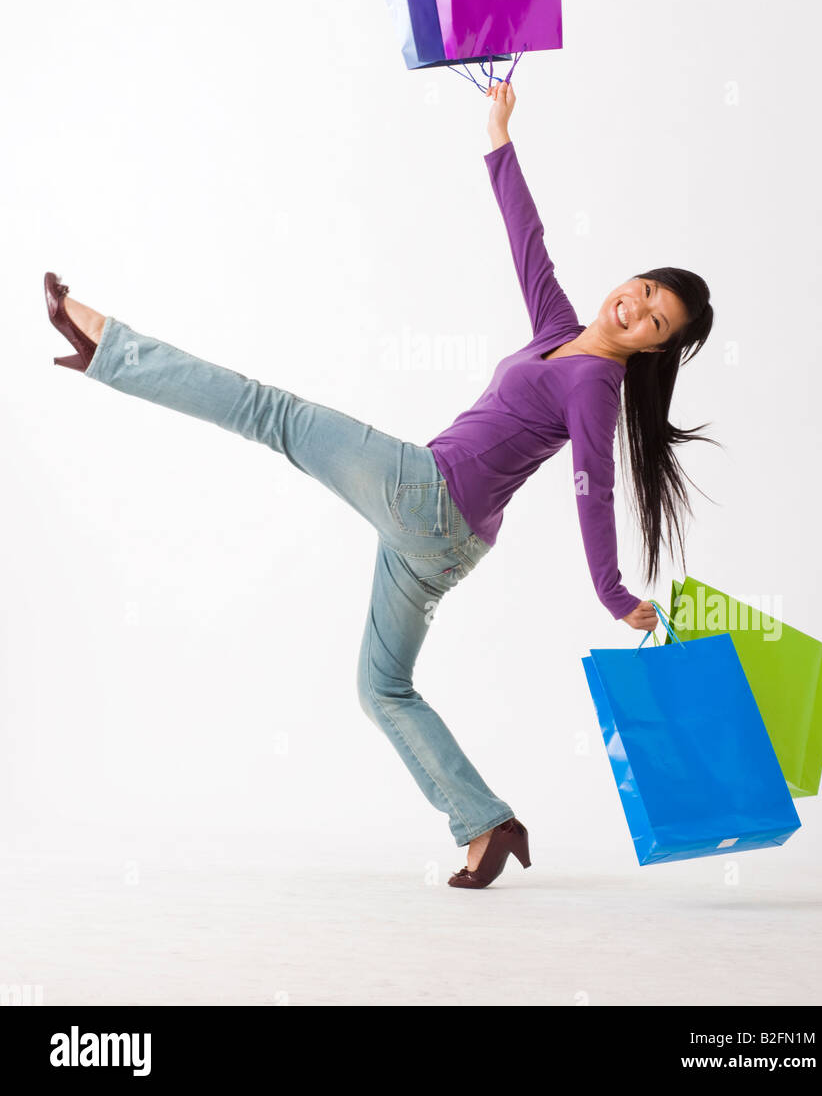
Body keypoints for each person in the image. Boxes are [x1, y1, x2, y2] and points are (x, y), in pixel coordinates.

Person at [43, 80, 716, 889]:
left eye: (655, 321)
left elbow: (592, 490)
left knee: (273, 413)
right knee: (381, 687)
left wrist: (610, 593)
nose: (634, 309)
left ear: (655, 349)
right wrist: (499, 134)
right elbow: (527, 240)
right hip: (446, 544)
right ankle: (487, 825)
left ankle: (108, 345)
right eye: (642, 290)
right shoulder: (560, 332)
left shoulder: (594, 390)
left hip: (427, 496)